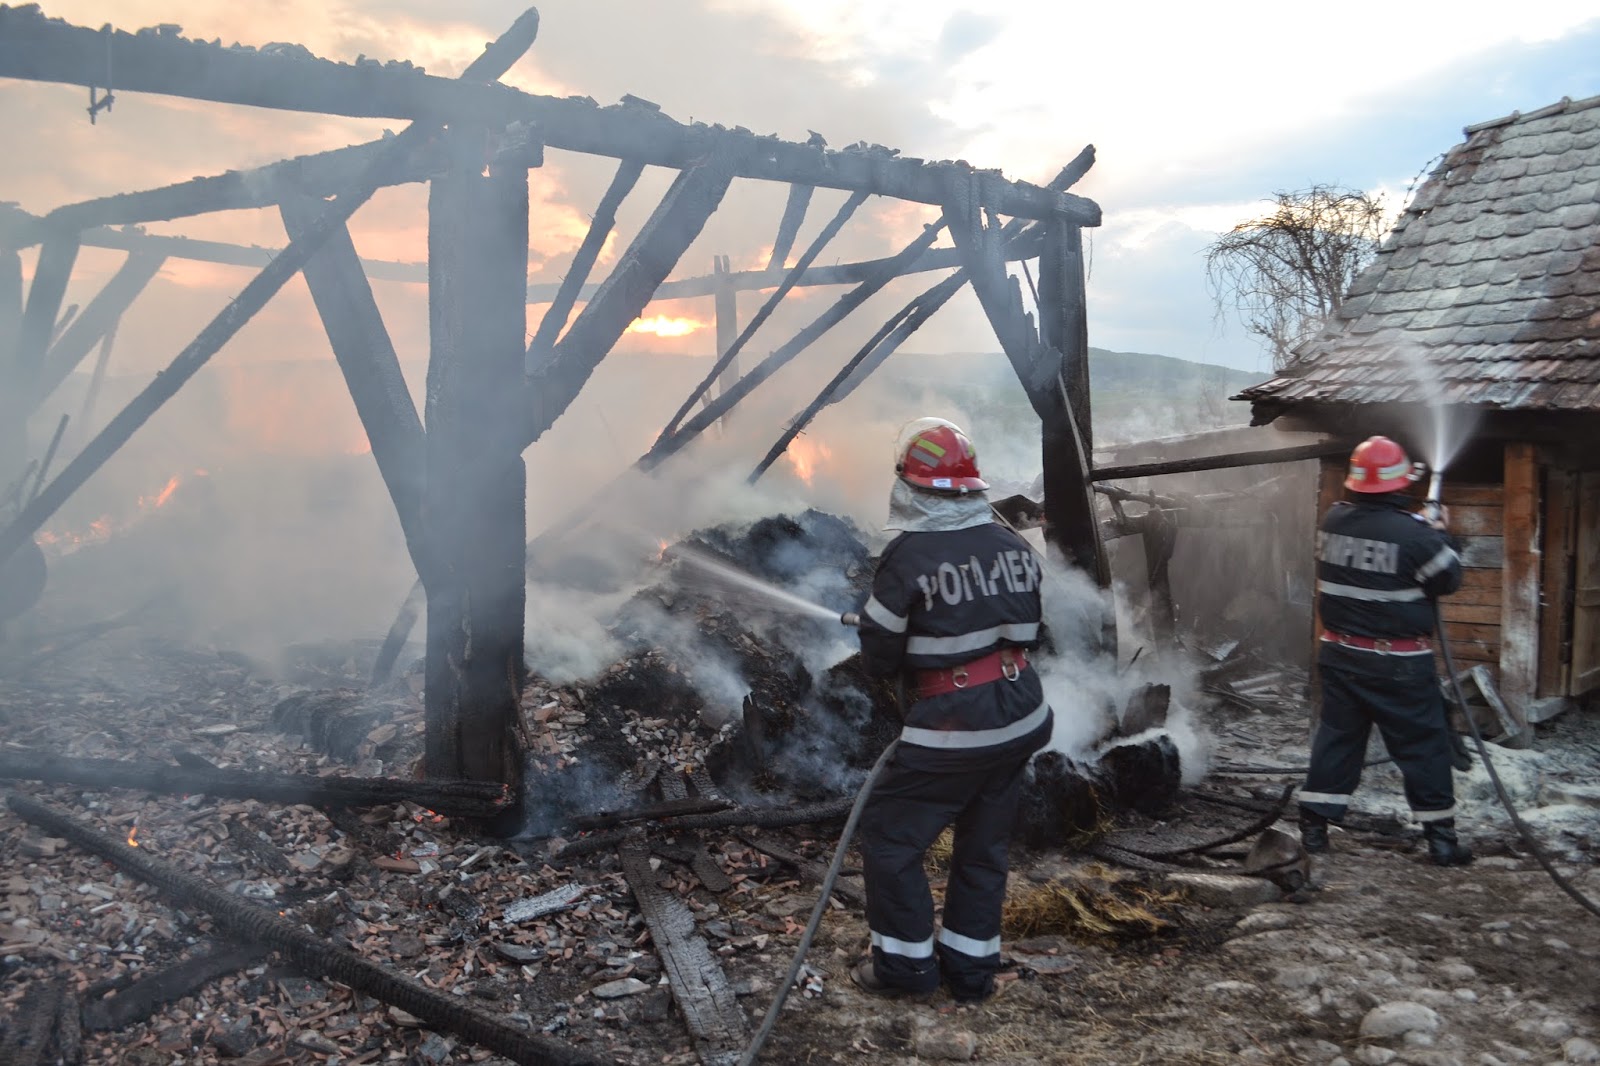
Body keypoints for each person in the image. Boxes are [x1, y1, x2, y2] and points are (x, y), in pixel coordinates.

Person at [851, 417, 1054, 1002]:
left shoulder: (909, 556)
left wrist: (883, 634)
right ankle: (970, 972)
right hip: (1019, 716)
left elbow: (881, 658)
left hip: (955, 727)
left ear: (911, 488)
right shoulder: (1014, 546)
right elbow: (1023, 634)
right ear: (972, 488)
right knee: (983, 846)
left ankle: (906, 970)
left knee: (891, 837)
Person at [1299, 435, 1472, 867]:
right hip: (1398, 664)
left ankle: (1314, 830)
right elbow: (1447, 580)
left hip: (1339, 656)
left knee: (1337, 740)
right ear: (1397, 484)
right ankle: (1442, 841)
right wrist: (1442, 535)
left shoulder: (1332, 522)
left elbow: (1378, 541)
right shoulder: (1416, 536)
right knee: (1424, 744)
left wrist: (1421, 529)